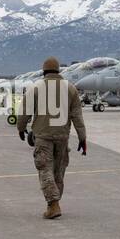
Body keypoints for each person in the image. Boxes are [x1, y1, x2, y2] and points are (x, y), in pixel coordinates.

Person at [16, 57, 87, 219]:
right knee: (58, 172)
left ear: (43, 72)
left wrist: (21, 129)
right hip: (63, 137)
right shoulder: (71, 89)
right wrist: (83, 138)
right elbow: (77, 117)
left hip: (43, 137)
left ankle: (53, 204)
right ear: (59, 71)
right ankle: (54, 204)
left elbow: (24, 113)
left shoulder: (35, 88)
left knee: (44, 169)